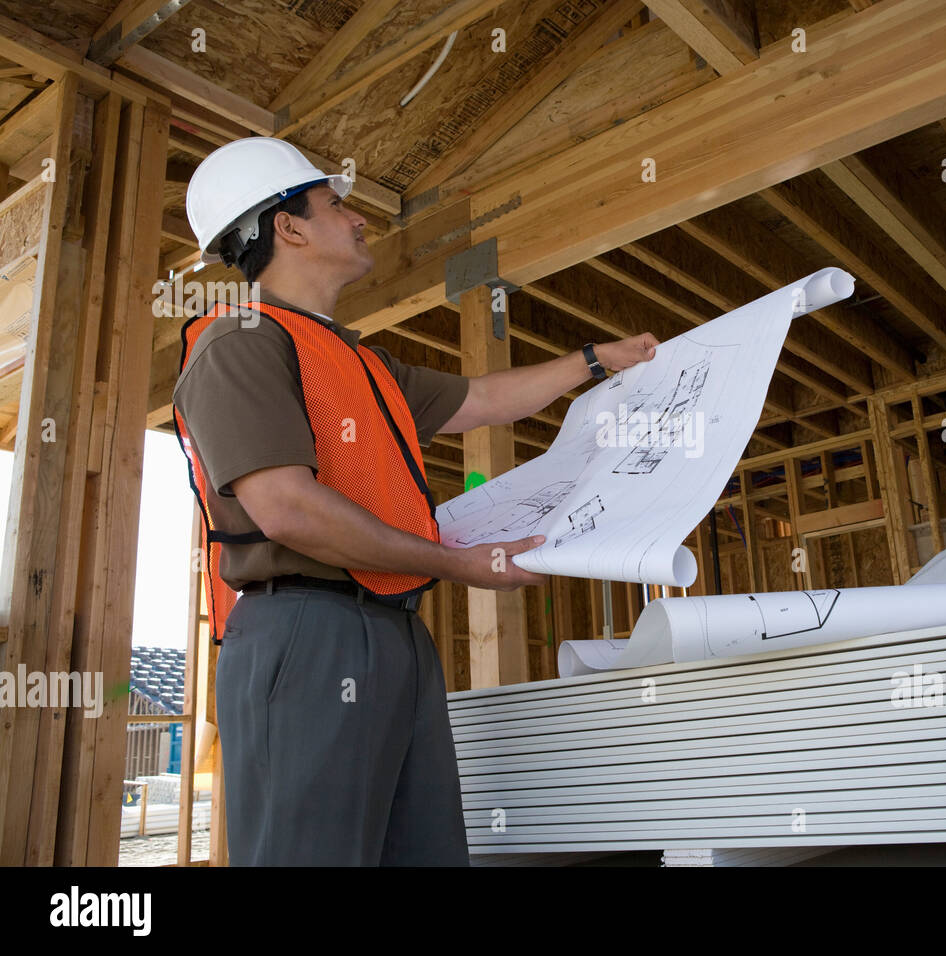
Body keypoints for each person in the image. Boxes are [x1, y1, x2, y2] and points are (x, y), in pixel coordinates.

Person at [173, 137, 658, 865]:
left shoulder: (359, 361)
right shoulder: (239, 342)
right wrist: (461, 565)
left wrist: (593, 360)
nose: (361, 219)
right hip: (306, 631)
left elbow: (484, 399)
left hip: (393, 628)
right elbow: (287, 509)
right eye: (337, 205)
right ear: (289, 227)